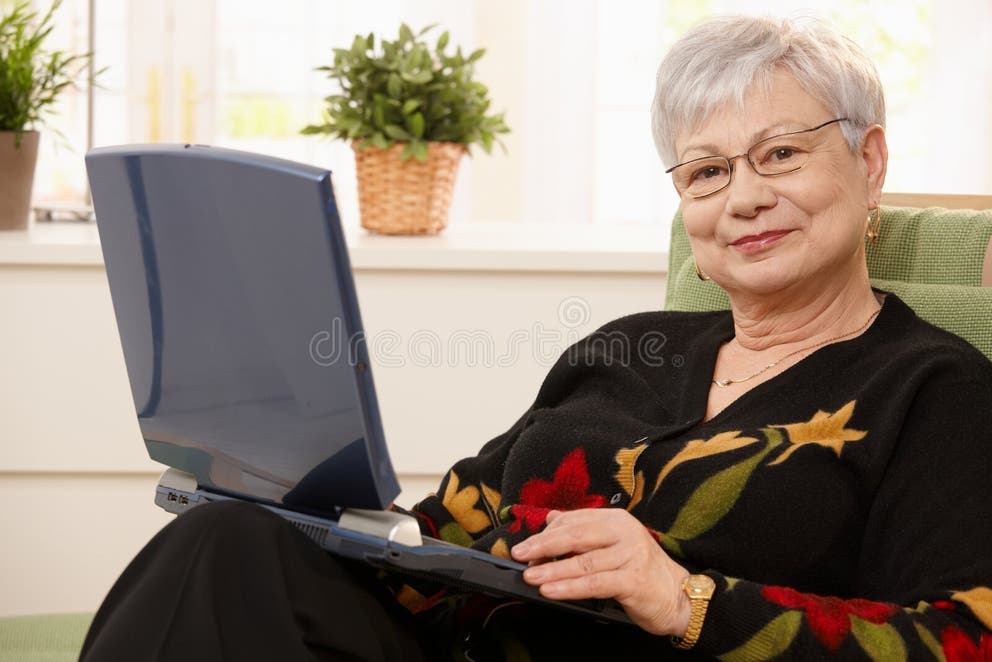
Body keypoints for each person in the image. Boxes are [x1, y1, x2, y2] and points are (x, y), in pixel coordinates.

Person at [81, 14, 992, 661]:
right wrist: (298, 511)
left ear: (868, 162)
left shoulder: (935, 392)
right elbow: (442, 540)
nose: (744, 197)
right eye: (708, 171)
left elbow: (967, 640)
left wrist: (683, 600)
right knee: (226, 548)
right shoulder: (625, 348)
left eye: (782, 153)